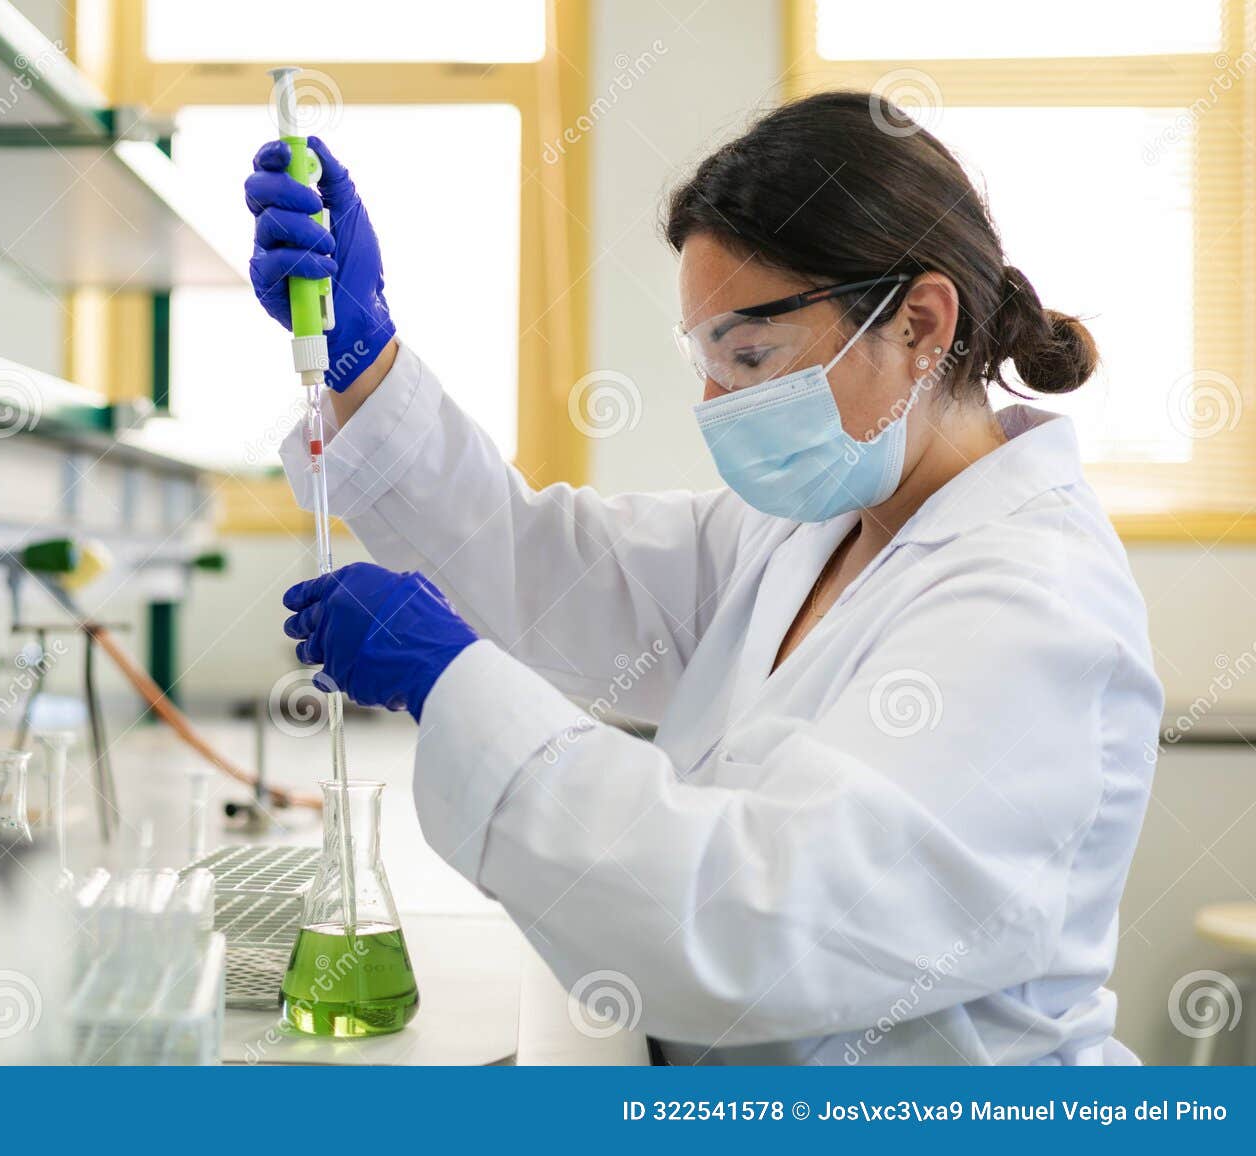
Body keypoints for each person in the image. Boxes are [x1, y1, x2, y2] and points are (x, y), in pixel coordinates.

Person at [244, 91, 1164, 1065]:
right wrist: (358, 353)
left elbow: (759, 927)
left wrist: (450, 681)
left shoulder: (1033, 604)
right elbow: (552, 569)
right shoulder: (818, 527)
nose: (715, 403)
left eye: (749, 355)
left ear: (920, 324)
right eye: (705, 358)